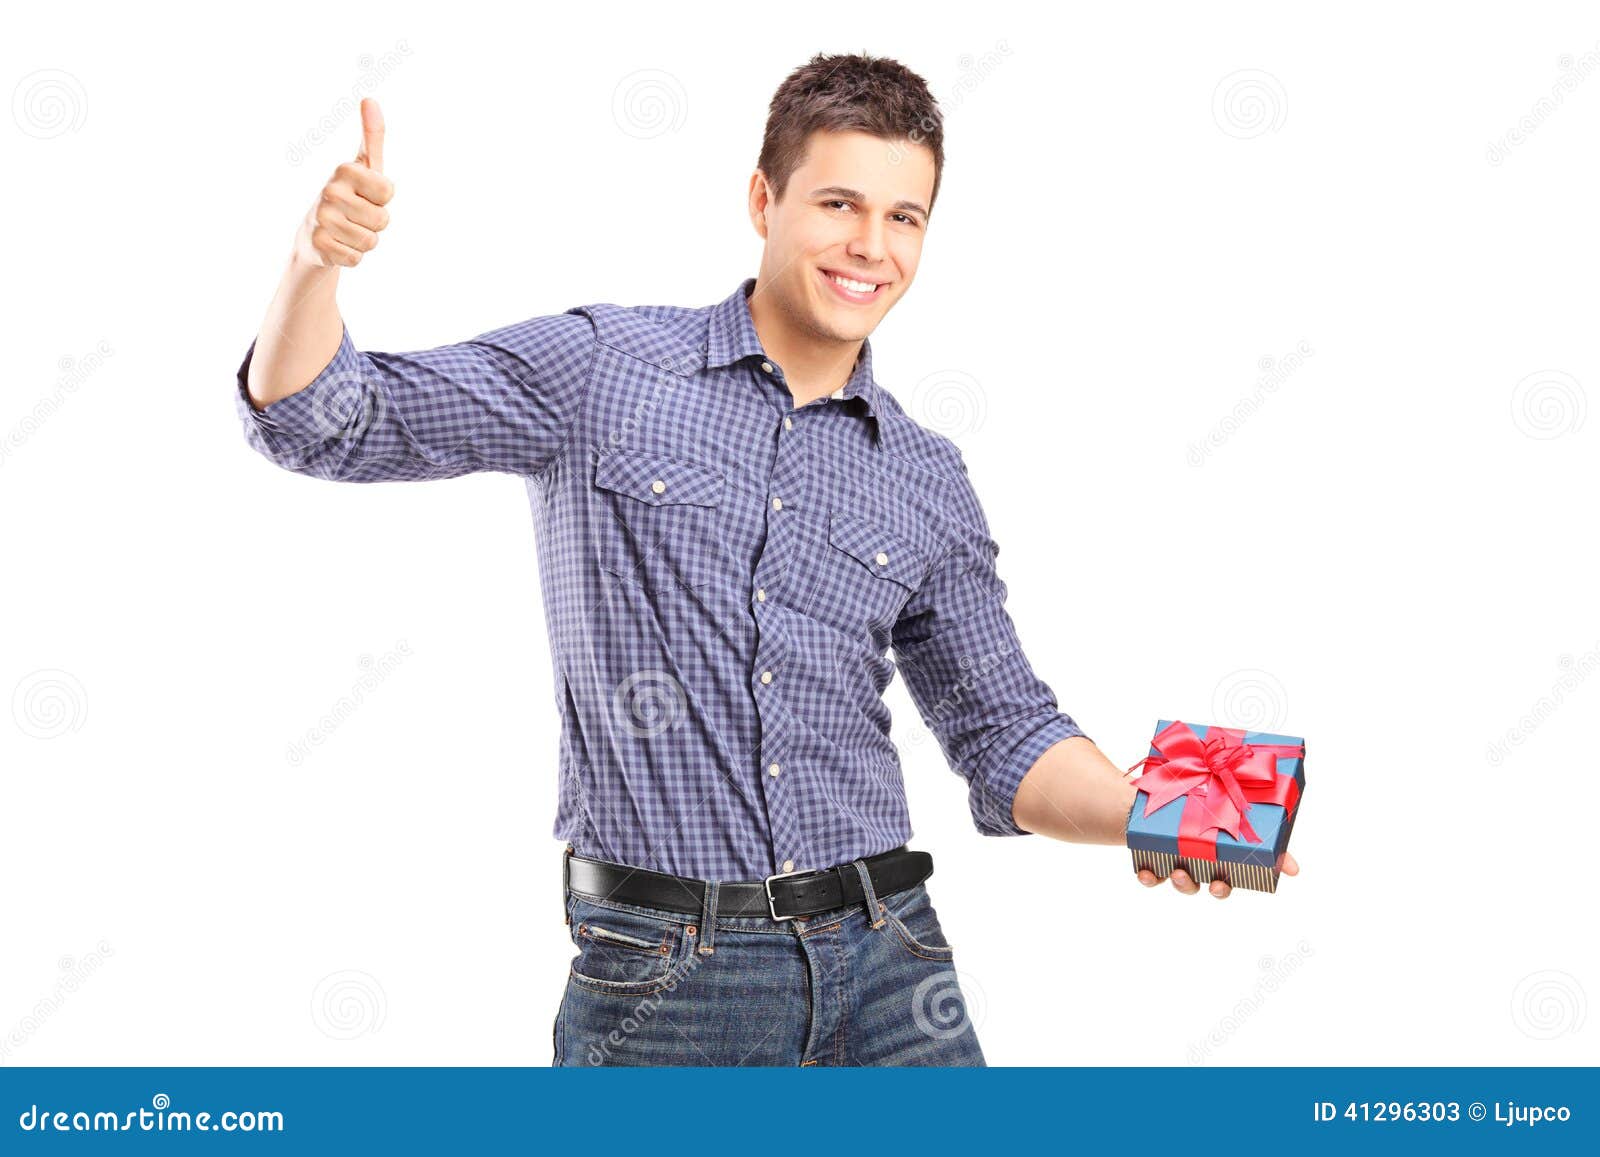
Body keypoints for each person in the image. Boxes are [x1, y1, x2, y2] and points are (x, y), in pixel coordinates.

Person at [234, 52, 1299, 1067]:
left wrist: (1168, 813)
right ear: (763, 201)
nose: (869, 246)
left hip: (894, 961)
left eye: (903, 217)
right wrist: (315, 264)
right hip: (667, 977)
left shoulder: (925, 475)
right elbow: (326, 419)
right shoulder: (603, 369)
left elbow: (1004, 730)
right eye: (838, 203)